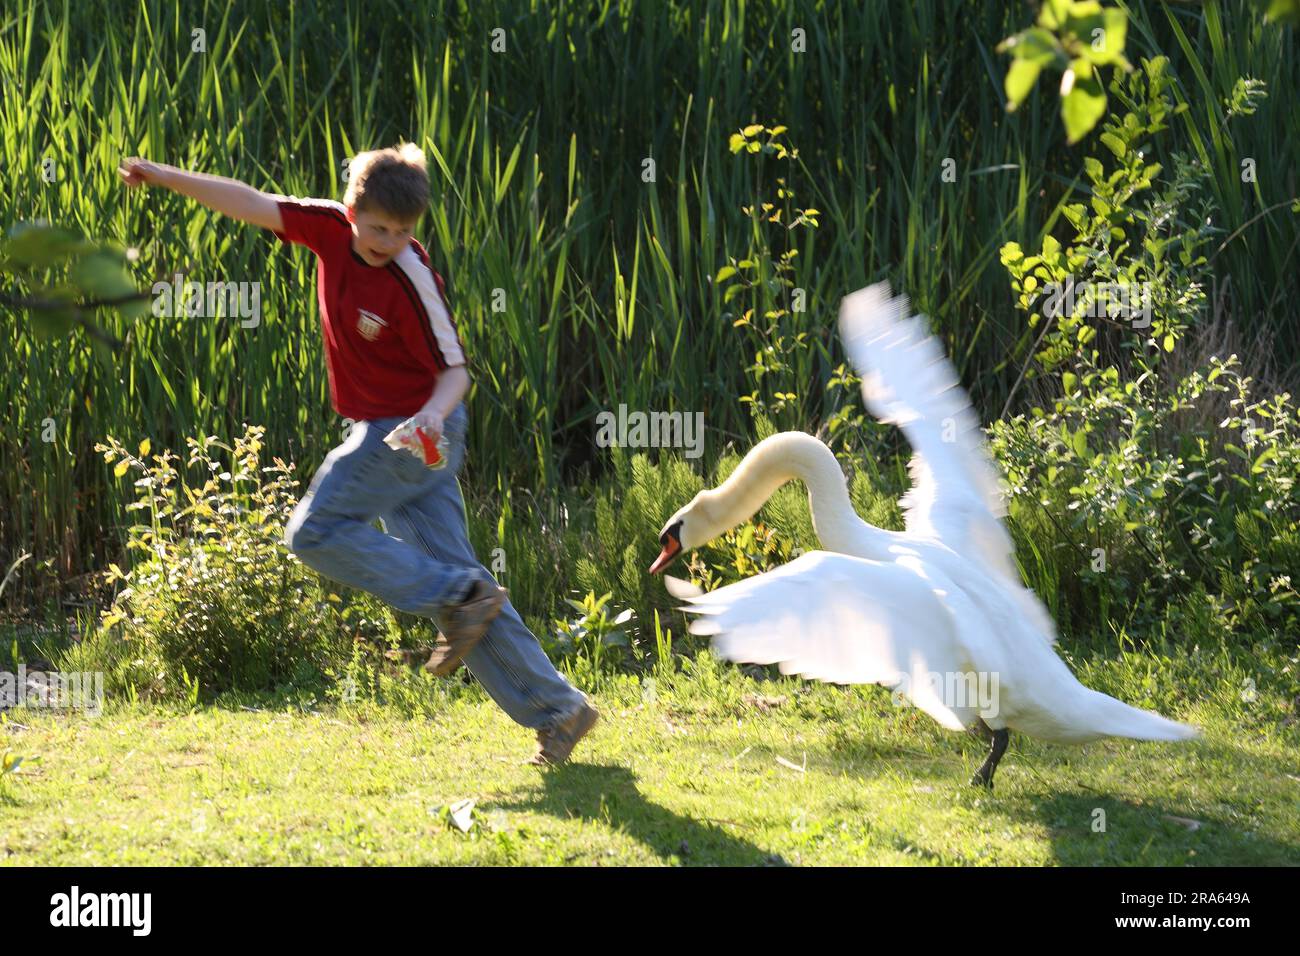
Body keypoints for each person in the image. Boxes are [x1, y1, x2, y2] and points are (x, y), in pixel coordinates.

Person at [117, 145, 598, 764]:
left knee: (313, 531)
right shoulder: (325, 228)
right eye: (378, 227)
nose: (389, 241)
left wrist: (429, 414)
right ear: (350, 212)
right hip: (396, 431)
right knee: (465, 585)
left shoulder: (412, 274)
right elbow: (250, 201)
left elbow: (457, 371)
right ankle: (559, 709)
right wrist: (163, 176)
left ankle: (457, 596)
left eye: (403, 232)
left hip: (419, 431)